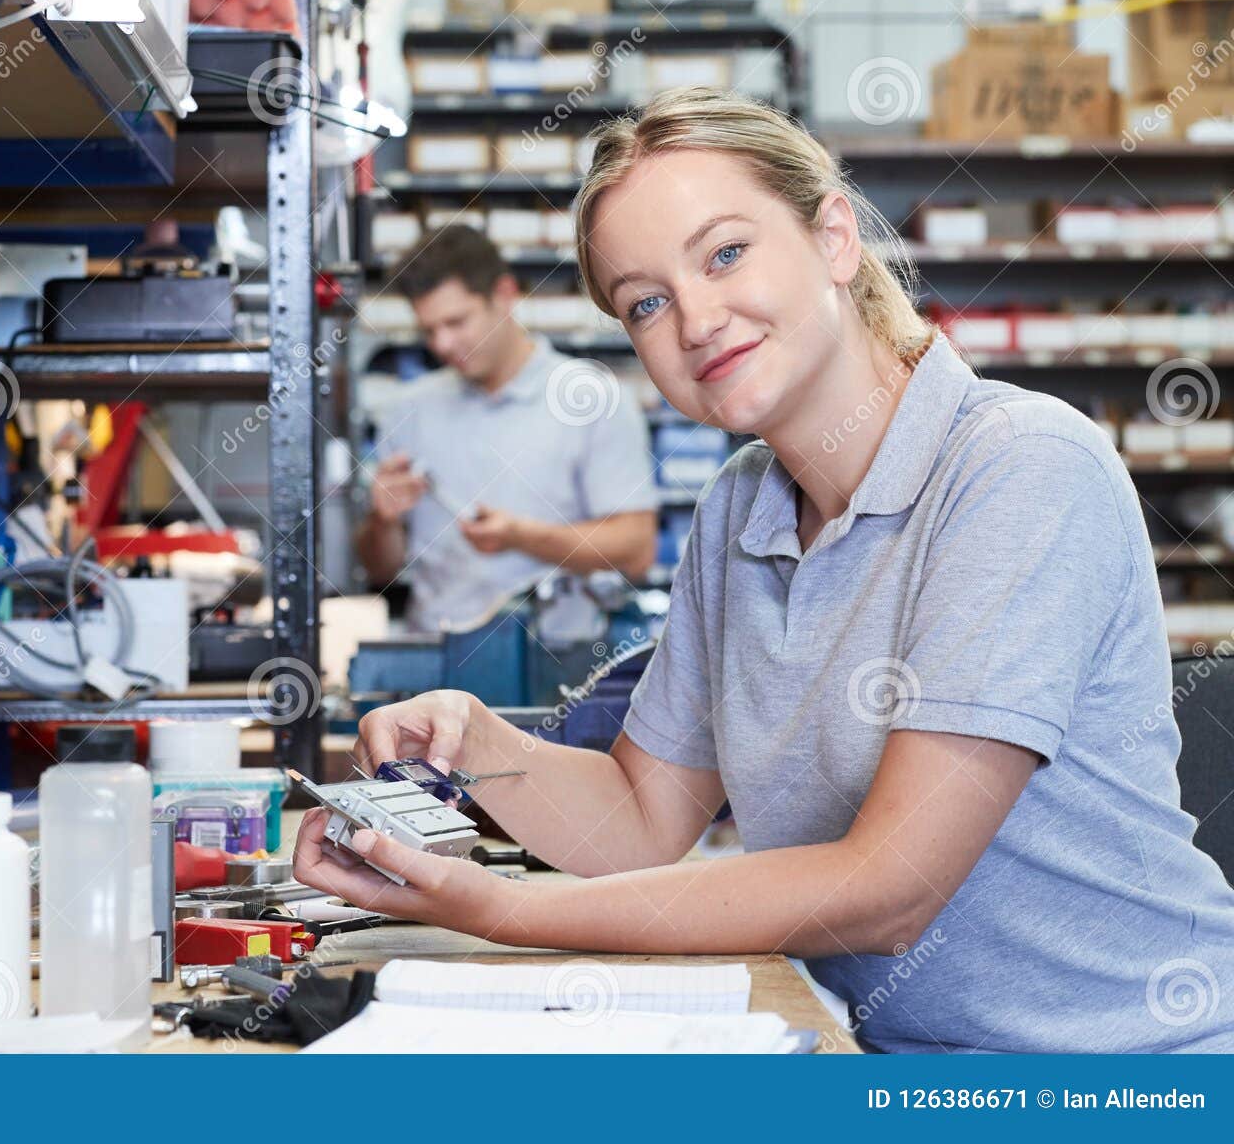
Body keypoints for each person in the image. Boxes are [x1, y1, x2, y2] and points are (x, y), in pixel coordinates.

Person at [298, 88, 1234, 1053]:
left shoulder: (1020, 467)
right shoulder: (741, 504)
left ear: (834, 236)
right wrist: (482, 747)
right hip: (897, 1062)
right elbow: (642, 815)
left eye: (726, 252)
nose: (696, 318)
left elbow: (888, 890)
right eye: (646, 302)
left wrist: (498, 910)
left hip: (1136, 1068)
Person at [356, 225, 658, 632]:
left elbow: (637, 550)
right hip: (434, 664)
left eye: (456, 321)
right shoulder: (407, 409)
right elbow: (379, 569)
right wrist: (383, 519)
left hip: (555, 665)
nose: (443, 344)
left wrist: (523, 537)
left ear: (503, 294)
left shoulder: (591, 398)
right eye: (429, 330)